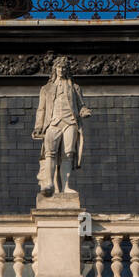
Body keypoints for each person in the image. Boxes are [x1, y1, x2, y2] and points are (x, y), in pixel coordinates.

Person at [32, 56, 91, 196]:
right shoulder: (46, 89)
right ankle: (49, 182)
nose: (61, 70)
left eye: (64, 67)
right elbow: (41, 109)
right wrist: (38, 126)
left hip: (70, 122)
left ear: (67, 70)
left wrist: (85, 111)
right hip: (53, 123)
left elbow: (81, 106)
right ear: (55, 69)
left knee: (68, 154)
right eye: (59, 67)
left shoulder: (75, 88)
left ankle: (65, 186)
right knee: (50, 153)